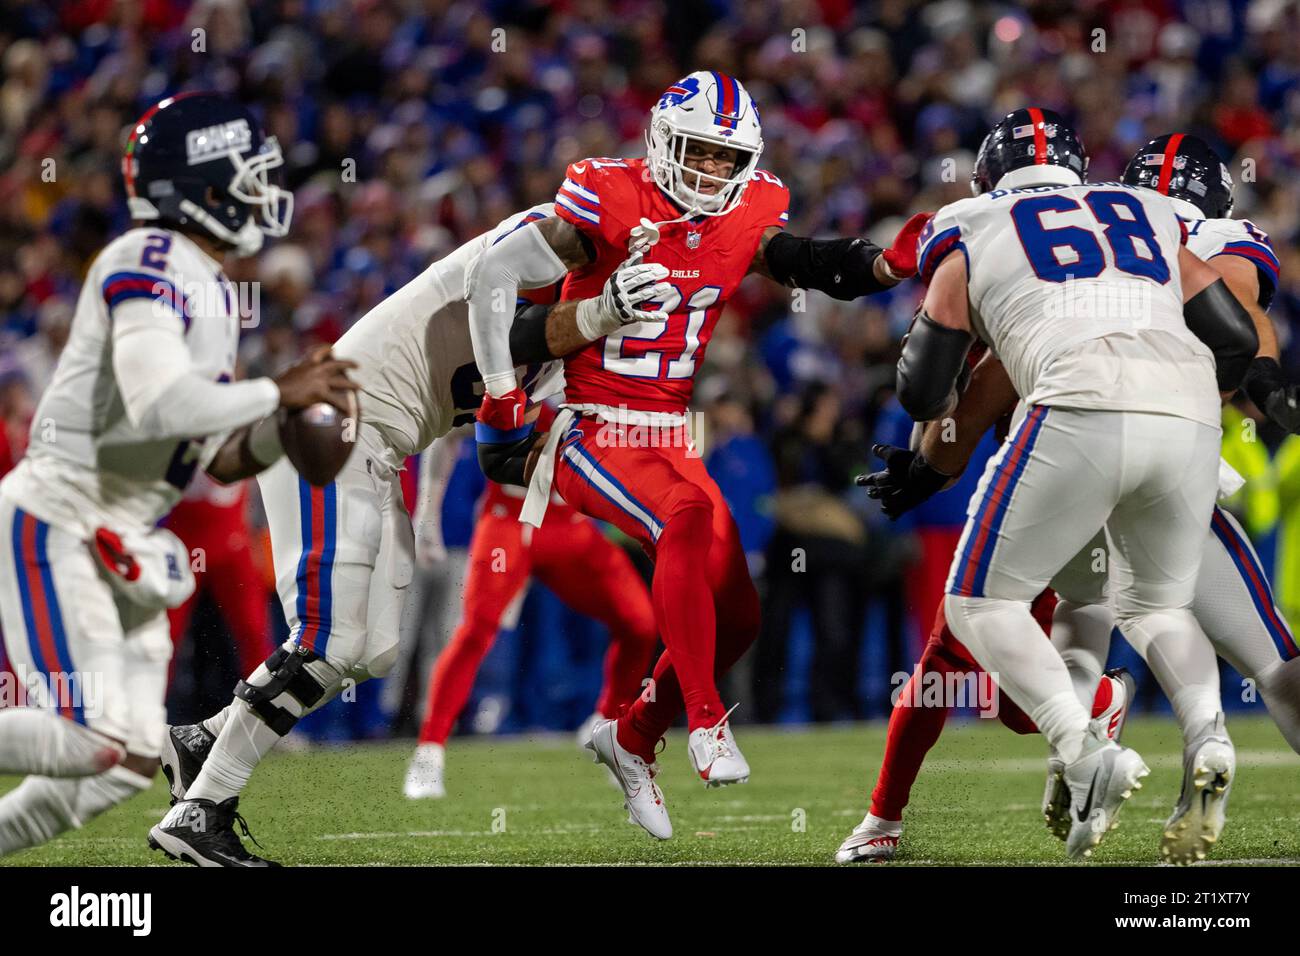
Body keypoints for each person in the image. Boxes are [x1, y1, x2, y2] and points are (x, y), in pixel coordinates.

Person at [463, 71, 927, 839]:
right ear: (663, 141)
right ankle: (708, 721)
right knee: (680, 517)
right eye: (699, 153)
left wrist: (881, 265)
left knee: (738, 613)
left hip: (671, 432)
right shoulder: (606, 195)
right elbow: (494, 276)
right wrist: (506, 390)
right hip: (588, 420)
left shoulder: (752, 207)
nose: (712, 171)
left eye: (725, 157)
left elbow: (806, 262)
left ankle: (633, 736)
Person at [148, 206, 675, 865]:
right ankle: (203, 812)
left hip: (378, 454)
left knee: (376, 649)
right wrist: (601, 314)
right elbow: (508, 296)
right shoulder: (521, 258)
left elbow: (485, 439)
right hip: (331, 428)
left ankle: (204, 741)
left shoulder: (558, 344)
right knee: (327, 641)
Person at [889, 108, 1257, 862]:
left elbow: (926, 393)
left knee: (976, 601)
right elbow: (1236, 338)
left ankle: (1084, 750)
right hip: (1189, 418)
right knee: (1157, 605)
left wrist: (929, 445)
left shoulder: (971, 222)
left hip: (1078, 408)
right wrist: (1183, 403)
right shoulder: (1144, 210)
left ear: (988, 176)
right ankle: (1208, 734)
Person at [0, 93, 358, 859]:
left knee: (122, 761)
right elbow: (159, 402)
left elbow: (210, 458)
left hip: (124, 533)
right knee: (90, 736)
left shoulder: (207, 285)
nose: (262, 189)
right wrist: (279, 392)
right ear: (199, 187)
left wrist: (278, 433)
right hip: (60, 518)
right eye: (245, 173)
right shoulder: (147, 259)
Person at [404, 404, 658, 799]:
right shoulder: (509, 375)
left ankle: (608, 727)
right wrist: (425, 517)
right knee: (475, 630)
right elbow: (447, 436)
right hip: (510, 517)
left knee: (640, 622)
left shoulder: (596, 376)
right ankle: (429, 752)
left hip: (569, 523)